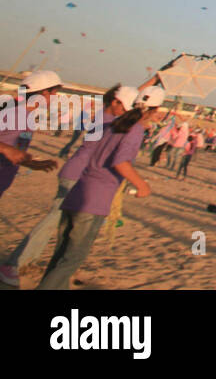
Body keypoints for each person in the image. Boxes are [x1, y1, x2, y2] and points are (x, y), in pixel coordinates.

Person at [1, 83, 136, 287]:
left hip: (77, 173)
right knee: (54, 224)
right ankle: (14, 264)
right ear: (115, 102)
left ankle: (47, 275)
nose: (54, 96)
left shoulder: (108, 116)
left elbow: (128, 102)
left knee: (61, 228)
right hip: (78, 175)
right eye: (51, 92)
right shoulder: (106, 118)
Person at [37, 86, 166, 290]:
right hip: (94, 200)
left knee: (61, 255)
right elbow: (121, 162)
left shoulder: (111, 124)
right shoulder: (134, 129)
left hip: (77, 191)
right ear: (155, 109)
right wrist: (142, 185)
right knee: (72, 259)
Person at [0, 70, 63, 202]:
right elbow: (8, 149)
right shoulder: (14, 113)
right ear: (44, 93)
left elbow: (13, 150)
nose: (55, 97)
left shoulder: (28, 117)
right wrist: (6, 149)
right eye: (54, 93)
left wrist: (30, 163)